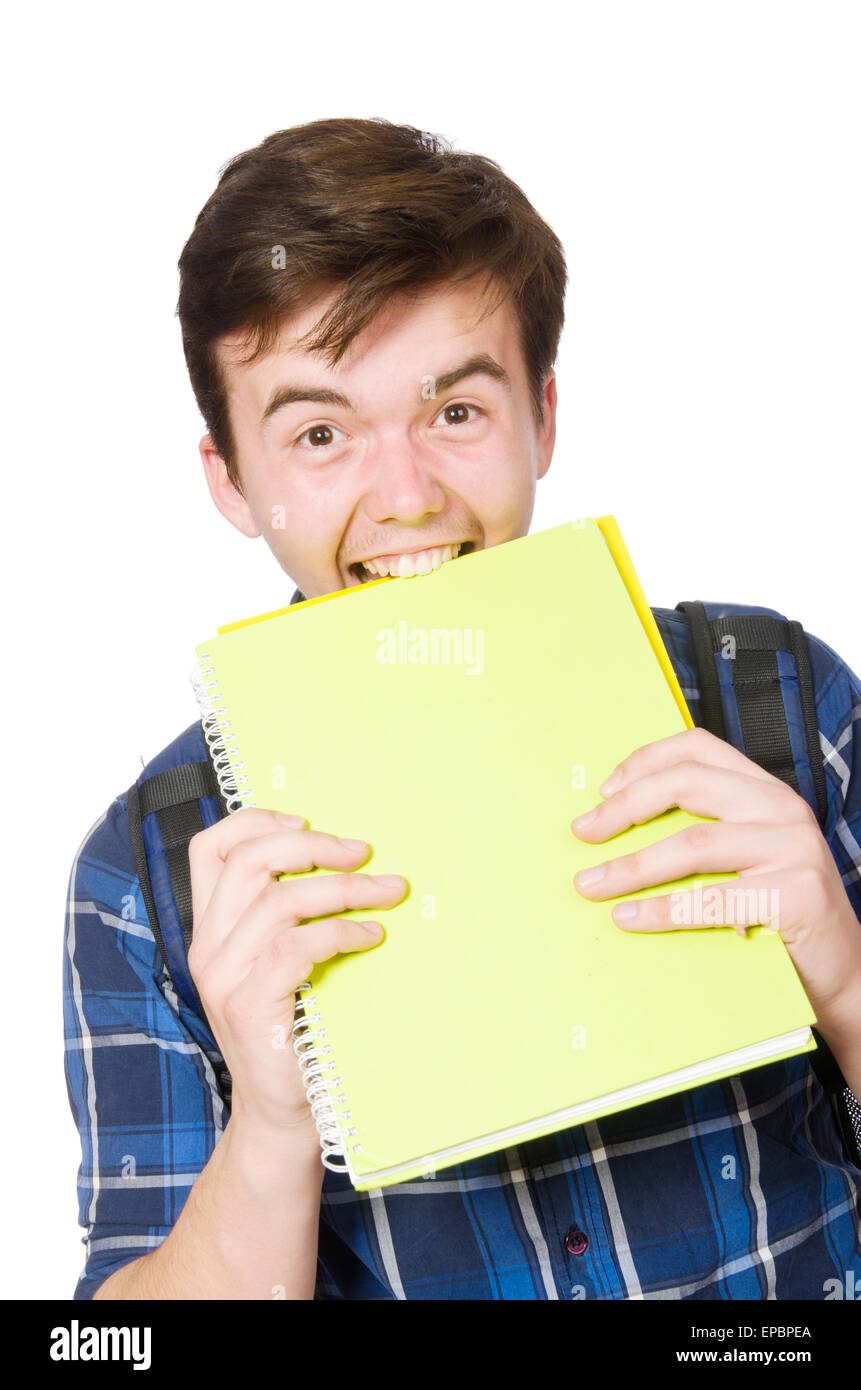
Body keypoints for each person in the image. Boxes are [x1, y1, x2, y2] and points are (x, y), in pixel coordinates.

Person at [64, 117, 861, 1301]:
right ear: (232, 480)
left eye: (455, 413)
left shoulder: (781, 696)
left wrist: (845, 982)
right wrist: (272, 1125)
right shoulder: (147, 877)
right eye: (321, 433)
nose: (406, 498)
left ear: (542, 415)